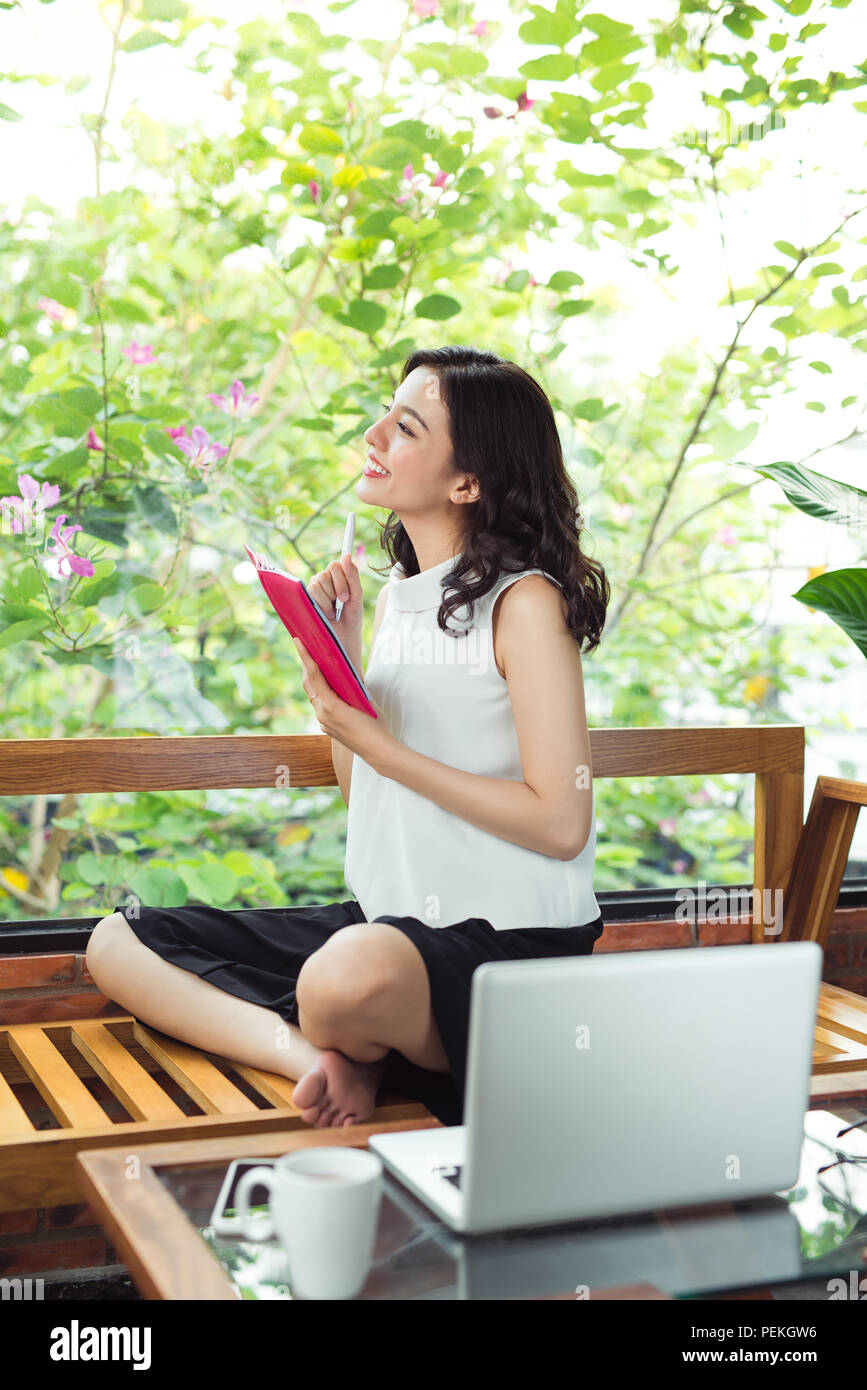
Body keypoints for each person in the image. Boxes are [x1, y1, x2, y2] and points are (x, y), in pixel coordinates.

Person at [86, 345, 610, 1131]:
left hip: (505, 944)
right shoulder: (402, 596)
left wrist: (382, 742)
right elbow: (369, 793)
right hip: (389, 924)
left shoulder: (523, 604)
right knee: (115, 944)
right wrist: (342, 674)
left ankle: (346, 1033)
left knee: (342, 977)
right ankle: (319, 1063)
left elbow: (559, 824)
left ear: (467, 482)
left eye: (404, 426)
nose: (373, 433)